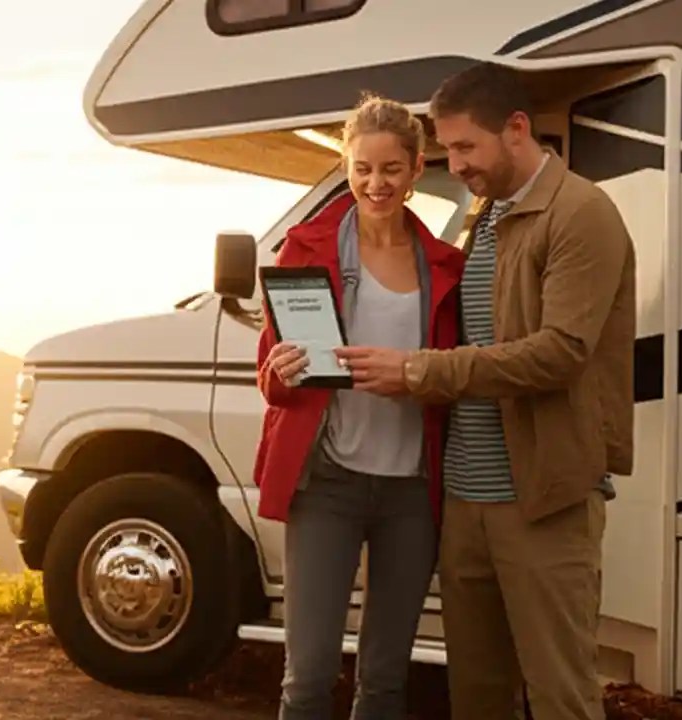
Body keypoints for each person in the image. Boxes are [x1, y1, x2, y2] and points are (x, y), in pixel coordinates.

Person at [335, 62, 637, 720]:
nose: (458, 164)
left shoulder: (580, 212)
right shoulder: (483, 217)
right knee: (476, 697)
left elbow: (561, 353)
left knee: (561, 695)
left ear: (517, 130)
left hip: (543, 500)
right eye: (448, 151)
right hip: (466, 501)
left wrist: (419, 371)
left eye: (466, 147)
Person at [252, 93, 465, 720]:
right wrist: (281, 371)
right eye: (362, 169)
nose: (376, 184)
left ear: (416, 167)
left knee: (385, 680)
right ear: (348, 167)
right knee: (309, 677)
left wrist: (414, 377)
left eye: (391, 170)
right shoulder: (305, 249)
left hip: (411, 492)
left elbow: (455, 377)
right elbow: (271, 379)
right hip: (328, 486)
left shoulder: (445, 266)